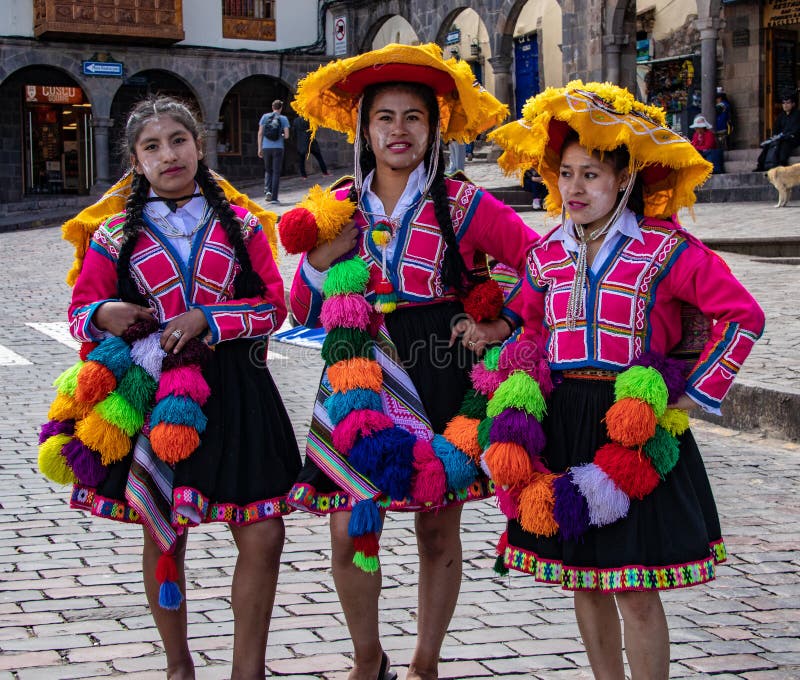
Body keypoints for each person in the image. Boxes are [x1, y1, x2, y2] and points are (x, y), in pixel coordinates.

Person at [487, 81, 765, 679]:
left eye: (592, 173)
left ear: (624, 181)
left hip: (631, 426)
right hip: (566, 423)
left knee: (634, 587)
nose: (575, 188)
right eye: (566, 174)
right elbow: (532, 329)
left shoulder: (665, 250)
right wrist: (510, 377)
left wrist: (693, 394)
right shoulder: (545, 257)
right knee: (584, 583)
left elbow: (744, 315)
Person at [279, 43, 538, 680]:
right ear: (363, 129)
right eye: (385, 118)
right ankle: (368, 659)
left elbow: (541, 266)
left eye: (414, 117)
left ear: (434, 128)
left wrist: (501, 318)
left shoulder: (465, 203)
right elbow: (300, 309)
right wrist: (321, 257)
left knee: (436, 530)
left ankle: (426, 663)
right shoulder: (337, 204)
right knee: (349, 529)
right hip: (355, 366)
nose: (399, 130)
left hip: (440, 367)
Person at [50, 95, 301, 679]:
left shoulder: (241, 225)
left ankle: (248, 671)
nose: (169, 155)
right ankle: (178, 667)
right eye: (152, 147)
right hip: (155, 396)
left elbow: (274, 306)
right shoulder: (112, 236)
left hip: (238, 391)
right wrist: (105, 312)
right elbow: (78, 313)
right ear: (136, 161)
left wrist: (210, 320)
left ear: (199, 145)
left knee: (263, 532)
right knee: (165, 537)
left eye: (179, 141)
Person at [755, 92, 800, 171]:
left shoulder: (797, 115)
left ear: (793, 104)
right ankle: (761, 166)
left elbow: (795, 130)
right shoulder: (781, 116)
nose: (785, 105)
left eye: (788, 103)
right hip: (781, 137)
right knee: (768, 145)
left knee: (784, 144)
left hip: (793, 138)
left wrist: (785, 136)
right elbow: (776, 129)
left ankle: (781, 164)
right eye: (783, 103)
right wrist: (775, 137)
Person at [258, 99, 290, 203]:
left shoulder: (265, 117)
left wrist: (260, 148)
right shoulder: (283, 119)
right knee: (276, 172)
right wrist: (280, 135)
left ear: (272, 107)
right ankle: (274, 198)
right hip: (278, 148)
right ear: (281, 108)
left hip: (266, 147)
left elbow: (260, 133)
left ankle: (268, 191)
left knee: (268, 170)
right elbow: (287, 136)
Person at [292, 114, 331, 179]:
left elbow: (294, 133)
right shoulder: (309, 119)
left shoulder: (296, 121)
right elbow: (314, 129)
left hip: (301, 142)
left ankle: (303, 176)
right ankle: (325, 173)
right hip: (310, 141)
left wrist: (296, 141)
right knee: (319, 157)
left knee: (301, 160)